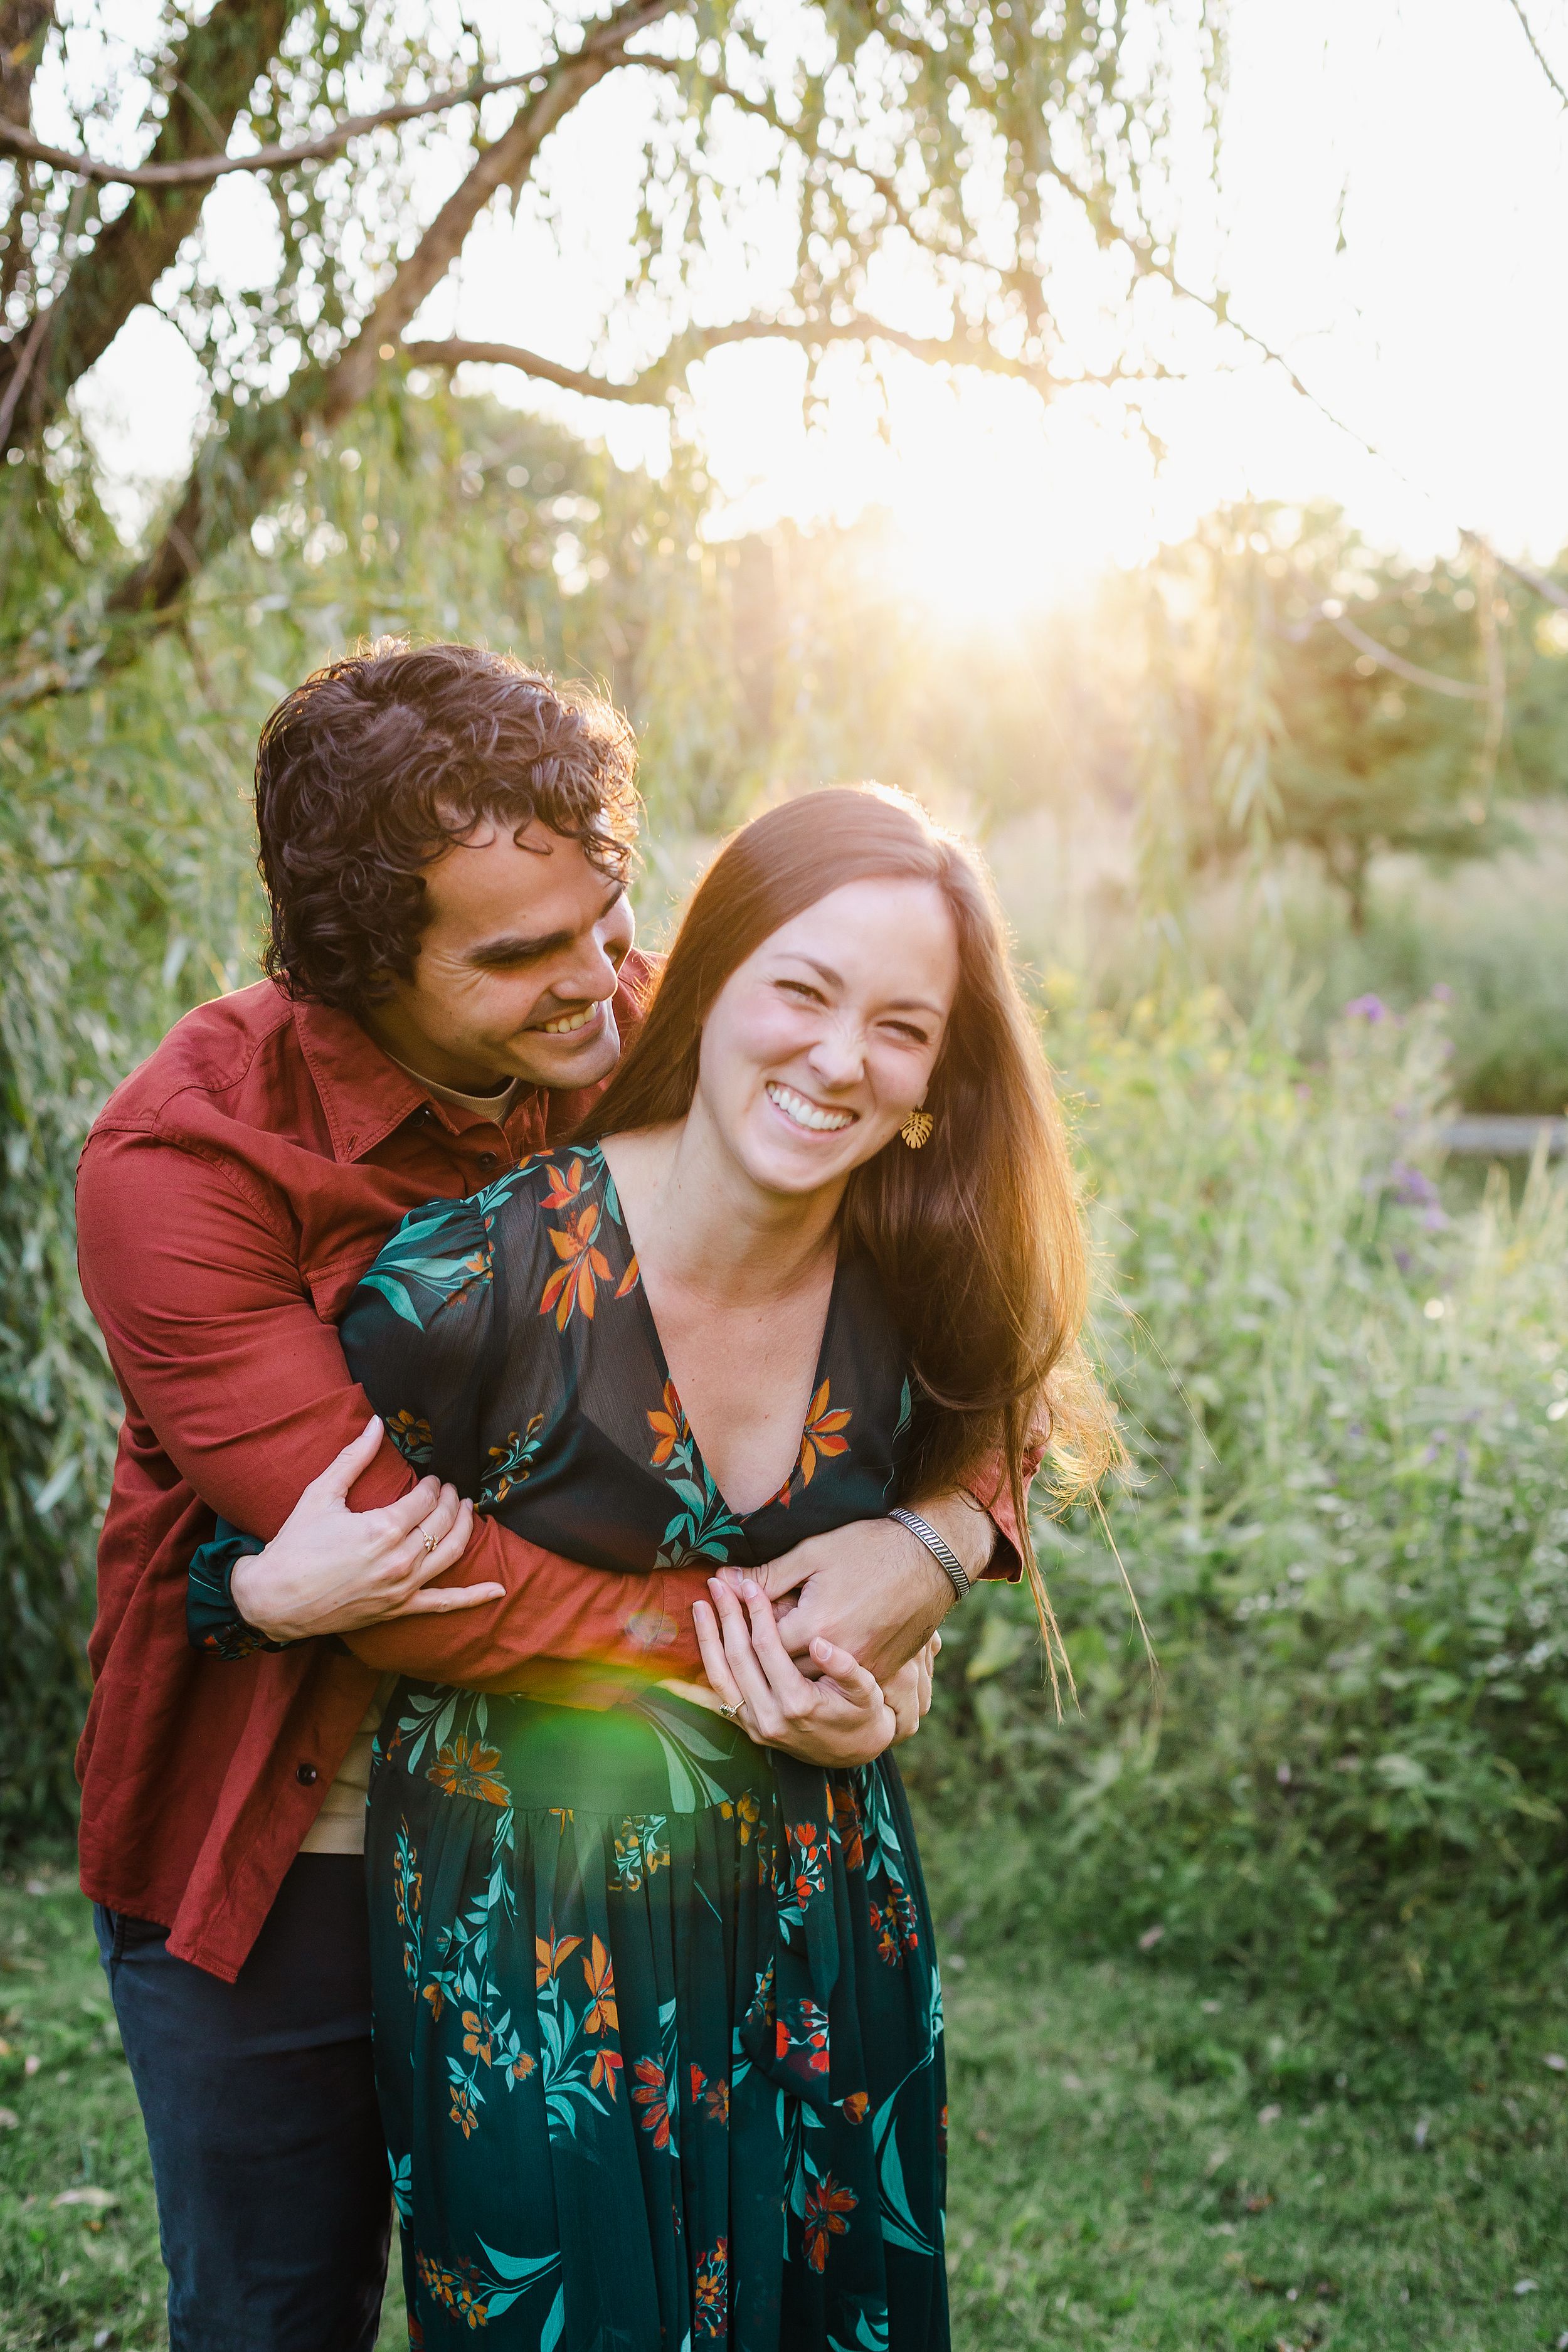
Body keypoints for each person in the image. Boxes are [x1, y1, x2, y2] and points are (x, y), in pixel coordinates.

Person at [74, 643, 1033, 2352]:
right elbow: (425, 1574)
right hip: (281, 1824)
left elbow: (975, 1310)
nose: (599, 984)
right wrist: (785, 1651)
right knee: (274, 2311)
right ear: (360, 961)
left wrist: (927, 1546)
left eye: (606, 916)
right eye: (521, 955)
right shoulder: (186, 1164)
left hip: (603, 1837)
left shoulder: (672, 1025)